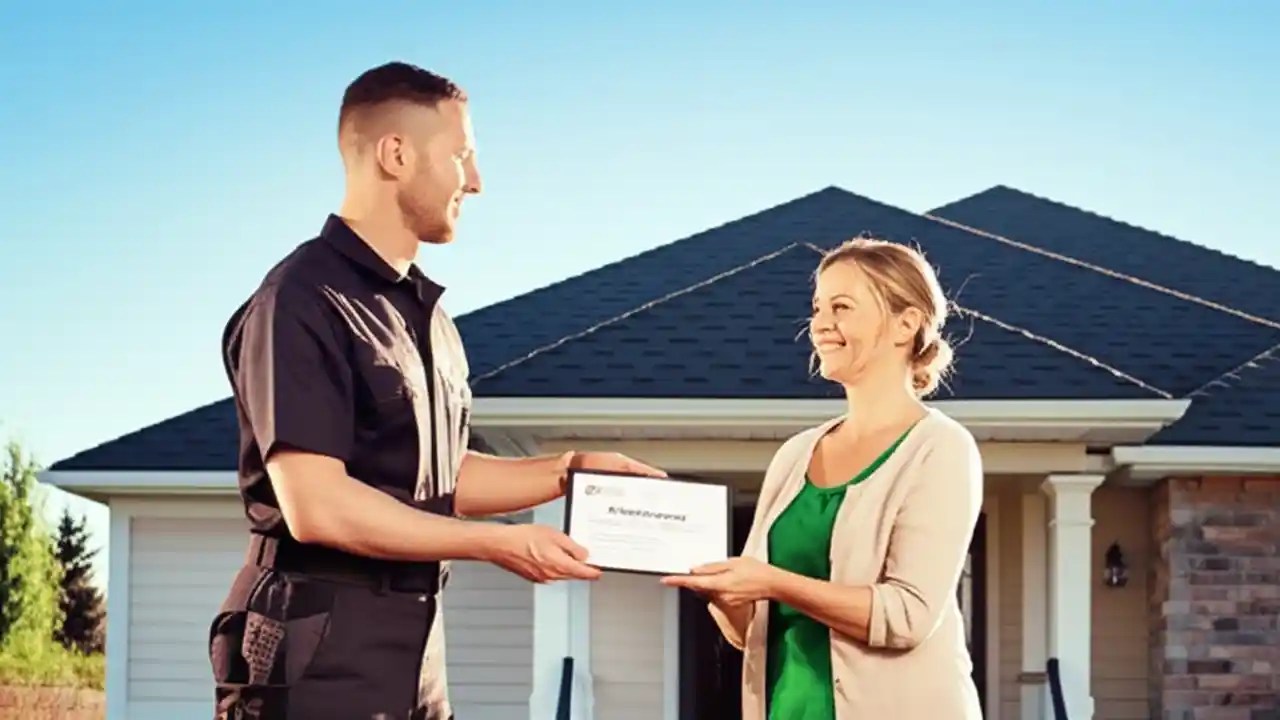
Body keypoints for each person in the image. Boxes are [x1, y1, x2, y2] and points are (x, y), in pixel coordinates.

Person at [208, 61, 665, 720]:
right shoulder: (301, 299)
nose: (475, 181)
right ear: (396, 154)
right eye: (462, 156)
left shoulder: (430, 320)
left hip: (415, 662)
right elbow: (319, 506)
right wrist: (497, 543)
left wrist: (568, 473)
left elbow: (435, 477)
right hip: (313, 659)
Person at [663, 236, 984, 719]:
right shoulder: (795, 454)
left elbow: (906, 617)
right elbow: (750, 630)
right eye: (817, 307)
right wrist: (722, 593)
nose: (820, 324)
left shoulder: (939, 448)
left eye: (842, 307)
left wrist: (772, 582)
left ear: (906, 324)